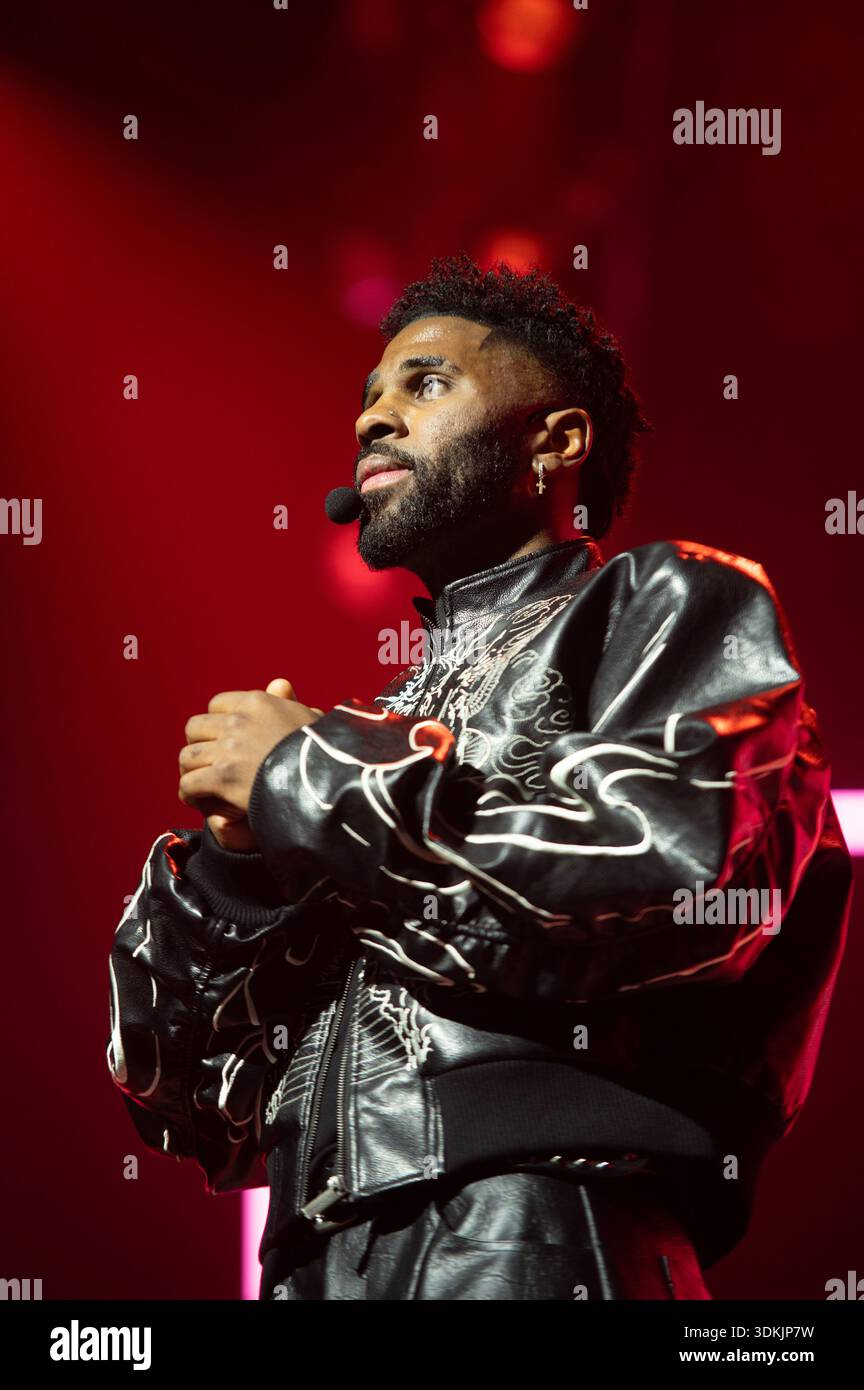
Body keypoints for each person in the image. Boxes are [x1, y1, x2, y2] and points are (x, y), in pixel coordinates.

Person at [107, 252, 852, 1300]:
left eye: (424, 384)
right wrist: (232, 873)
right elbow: (187, 1108)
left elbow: (676, 875)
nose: (372, 420)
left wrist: (305, 775)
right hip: (312, 1269)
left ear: (557, 440)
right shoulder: (362, 735)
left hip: (533, 1232)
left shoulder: (667, 605)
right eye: (367, 398)